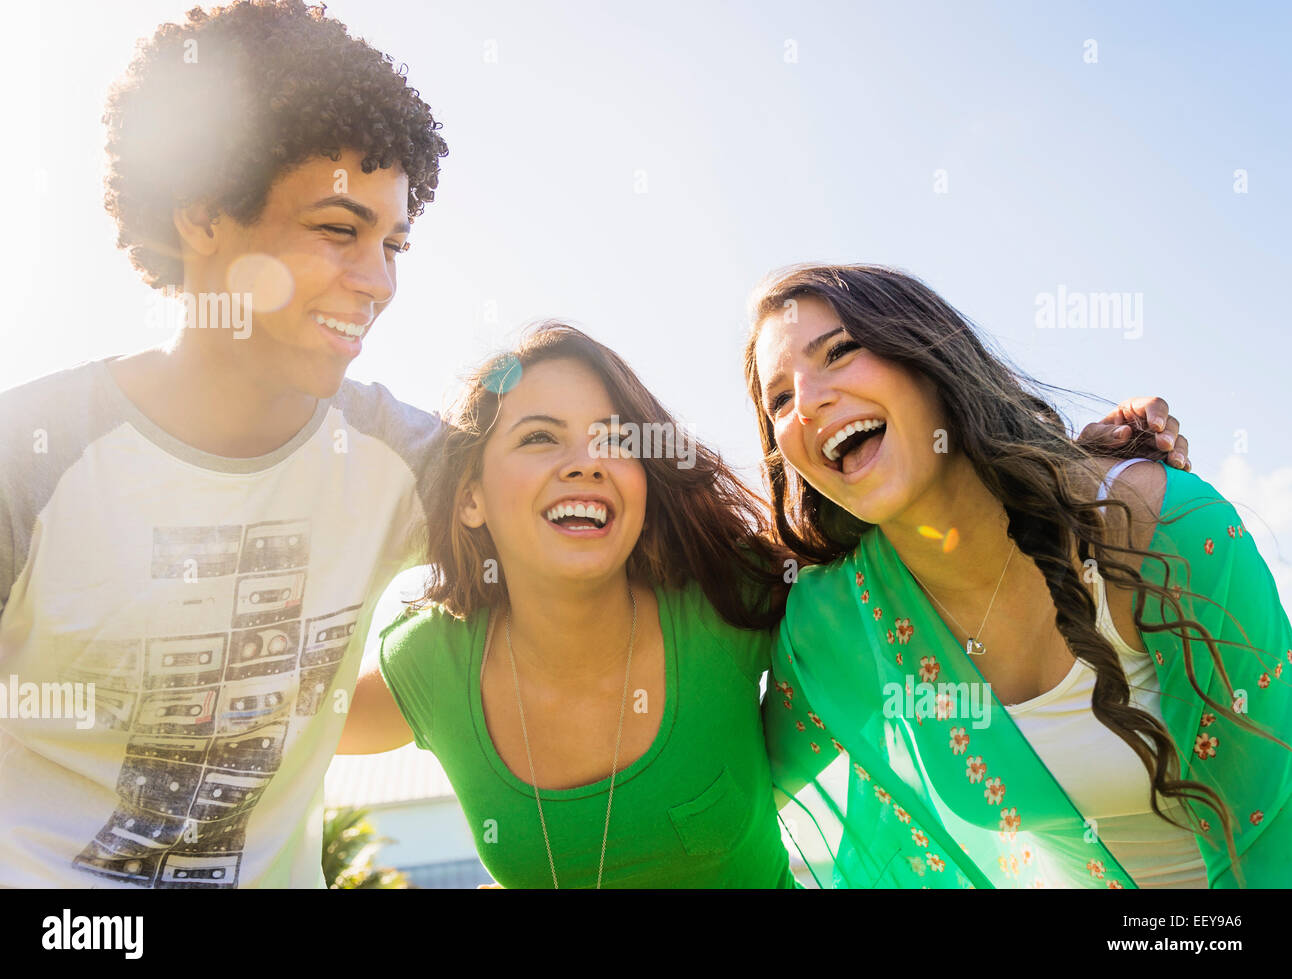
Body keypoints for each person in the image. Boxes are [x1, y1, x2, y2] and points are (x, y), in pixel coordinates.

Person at [339, 322, 1192, 888]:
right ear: (471, 499)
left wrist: (1064, 467)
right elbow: (269, 716)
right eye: (538, 438)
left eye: (613, 438)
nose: (586, 462)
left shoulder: (726, 594)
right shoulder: (432, 660)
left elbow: (914, 540)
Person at [0, 0, 447, 887]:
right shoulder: (24, 457)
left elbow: (612, 520)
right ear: (202, 216)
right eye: (337, 230)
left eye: (394, 241)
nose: (378, 280)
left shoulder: (399, 458)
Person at [747, 263, 1291, 888]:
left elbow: (1272, 828)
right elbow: (734, 798)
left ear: (930, 355)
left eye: (839, 352)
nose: (809, 404)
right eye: (780, 400)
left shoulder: (1156, 525)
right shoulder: (835, 618)